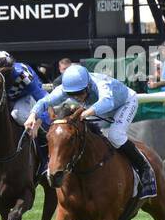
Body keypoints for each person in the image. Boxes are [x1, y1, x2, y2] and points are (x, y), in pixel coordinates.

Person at [27, 63, 156, 205]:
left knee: (115, 135)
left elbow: (107, 102)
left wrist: (86, 112)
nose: (77, 97)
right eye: (72, 95)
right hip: (97, 109)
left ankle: (144, 168)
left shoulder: (101, 84)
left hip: (123, 104)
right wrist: (33, 114)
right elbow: (45, 101)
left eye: (80, 93)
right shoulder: (65, 89)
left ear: (88, 86)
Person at [0, 51, 49, 159]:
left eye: (3, 73)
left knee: (18, 114)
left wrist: (40, 120)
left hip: (24, 96)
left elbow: (45, 100)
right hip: (5, 97)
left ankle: (43, 145)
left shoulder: (23, 75)